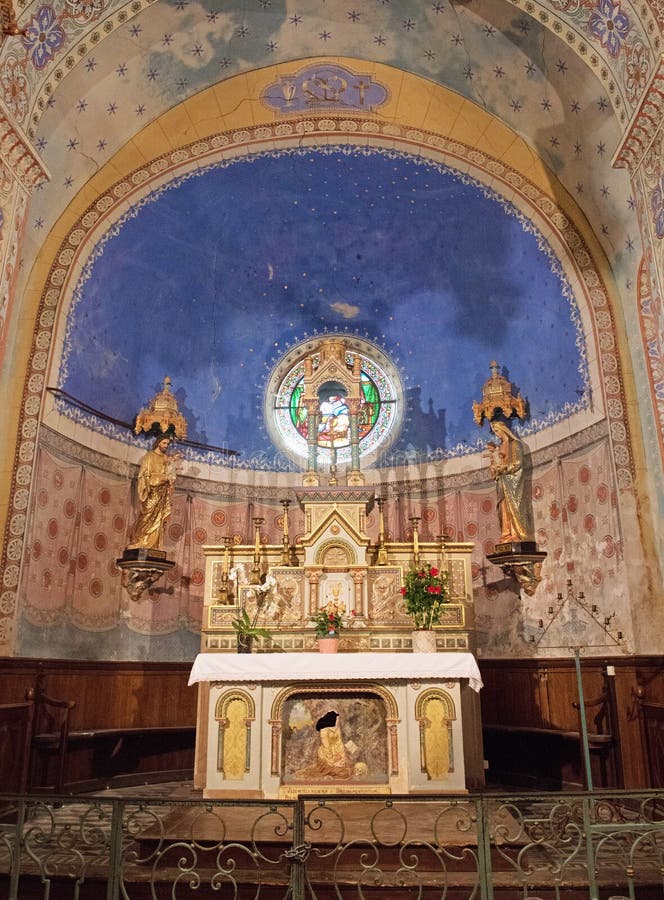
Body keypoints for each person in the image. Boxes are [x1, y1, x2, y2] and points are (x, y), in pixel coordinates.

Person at [128, 436, 180, 550]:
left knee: (159, 520)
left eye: (167, 444)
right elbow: (144, 476)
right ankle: (141, 540)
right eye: (164, 443)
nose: (166, 446)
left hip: (162, 494)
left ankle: (154, 545)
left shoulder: (166, 458)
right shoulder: (149, 456)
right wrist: (161, 478)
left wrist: (170, 478)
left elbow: (170, 474)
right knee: (146, 517)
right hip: (151, 493)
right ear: (158, 443)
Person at [488, 420, 532, 544]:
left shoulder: (515, 444)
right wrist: (494, 469)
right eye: (494, 432)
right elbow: (496, 465)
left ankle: (517, 534)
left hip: (513, 484)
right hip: (502, 482)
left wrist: (504, 468)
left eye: (497, 431)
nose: (496, 434)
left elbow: (518, 463)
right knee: (503, 507)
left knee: (514, 506)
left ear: (503, 429)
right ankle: (506, 534)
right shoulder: (498, 448)